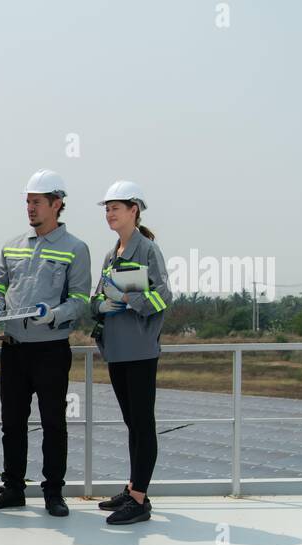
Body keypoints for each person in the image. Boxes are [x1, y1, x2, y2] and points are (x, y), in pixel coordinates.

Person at [0, 169, 91, 517]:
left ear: (57, 204)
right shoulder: (11, 246)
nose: (30, 208)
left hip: (50, 350)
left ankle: (53, 493)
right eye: (28, 201)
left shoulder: (76, 249)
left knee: (53, 422)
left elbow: (81, 300)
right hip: (13, 348)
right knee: (12, 422)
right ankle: (13, 488)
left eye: (37, 202)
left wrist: (53, 315)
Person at [90, 180, 173, 525]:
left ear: (134, 211)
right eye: (107, 208)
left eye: (116, 208)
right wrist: (100, 305)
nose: (110, 214)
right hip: (117, 351)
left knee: (142, 423)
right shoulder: (113, 254)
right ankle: (133, 487)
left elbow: (164, 295)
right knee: (131, 423)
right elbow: (97, 297)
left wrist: (128, 300)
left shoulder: (147, 250)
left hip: (139, 351)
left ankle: (139, 499)